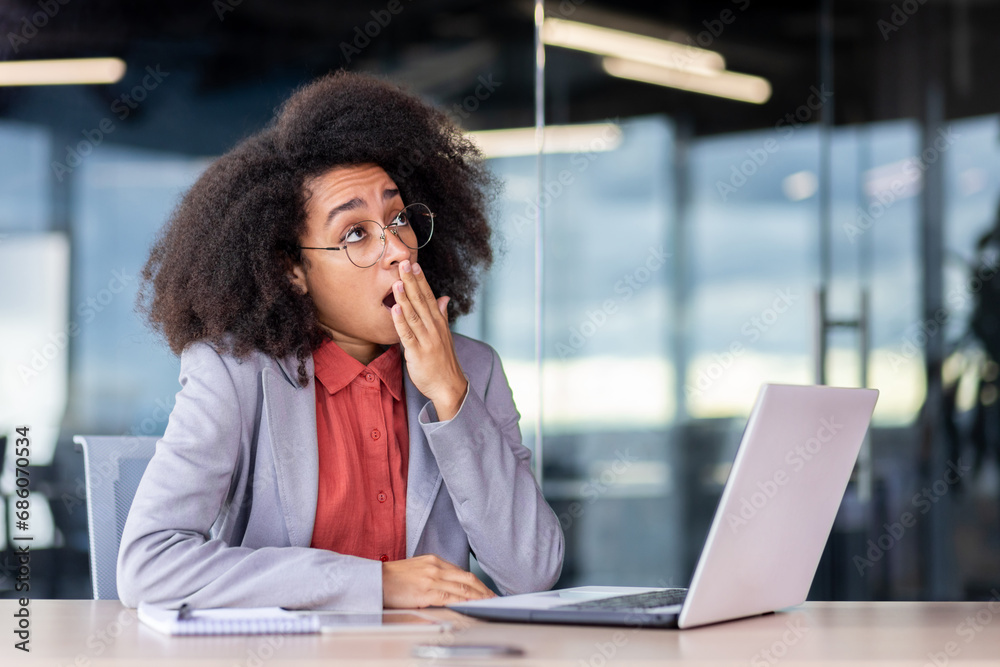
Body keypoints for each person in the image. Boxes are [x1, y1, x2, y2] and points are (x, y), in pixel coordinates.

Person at [116, 71, 564, 611]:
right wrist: (375, 584)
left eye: (397, 218)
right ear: (293, 270)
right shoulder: (233, 375)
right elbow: (149, 566)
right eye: (355, 233)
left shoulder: (473, 370)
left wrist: (451, 396)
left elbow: (531, 573)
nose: (399, 250)